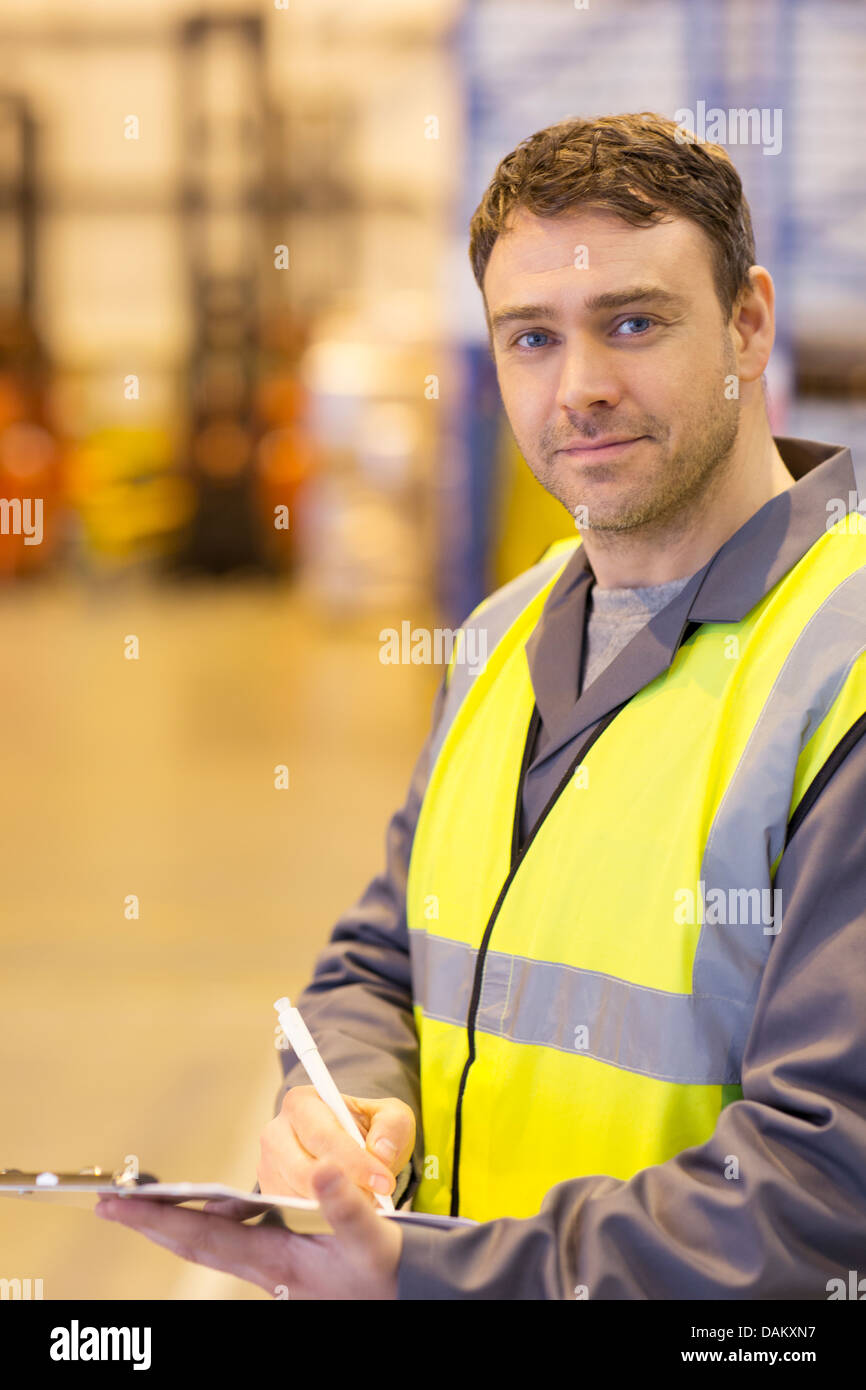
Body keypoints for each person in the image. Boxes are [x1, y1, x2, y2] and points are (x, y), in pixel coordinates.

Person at [97, 112, 866, 1300]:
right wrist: (342, 1101)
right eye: (530, 339)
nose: (581, 388)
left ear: (747, 323)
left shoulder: (842, 665)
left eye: (632, 322)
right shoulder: (501, 635)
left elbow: (822, 1202)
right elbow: (377, 957)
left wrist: (424, 1272)